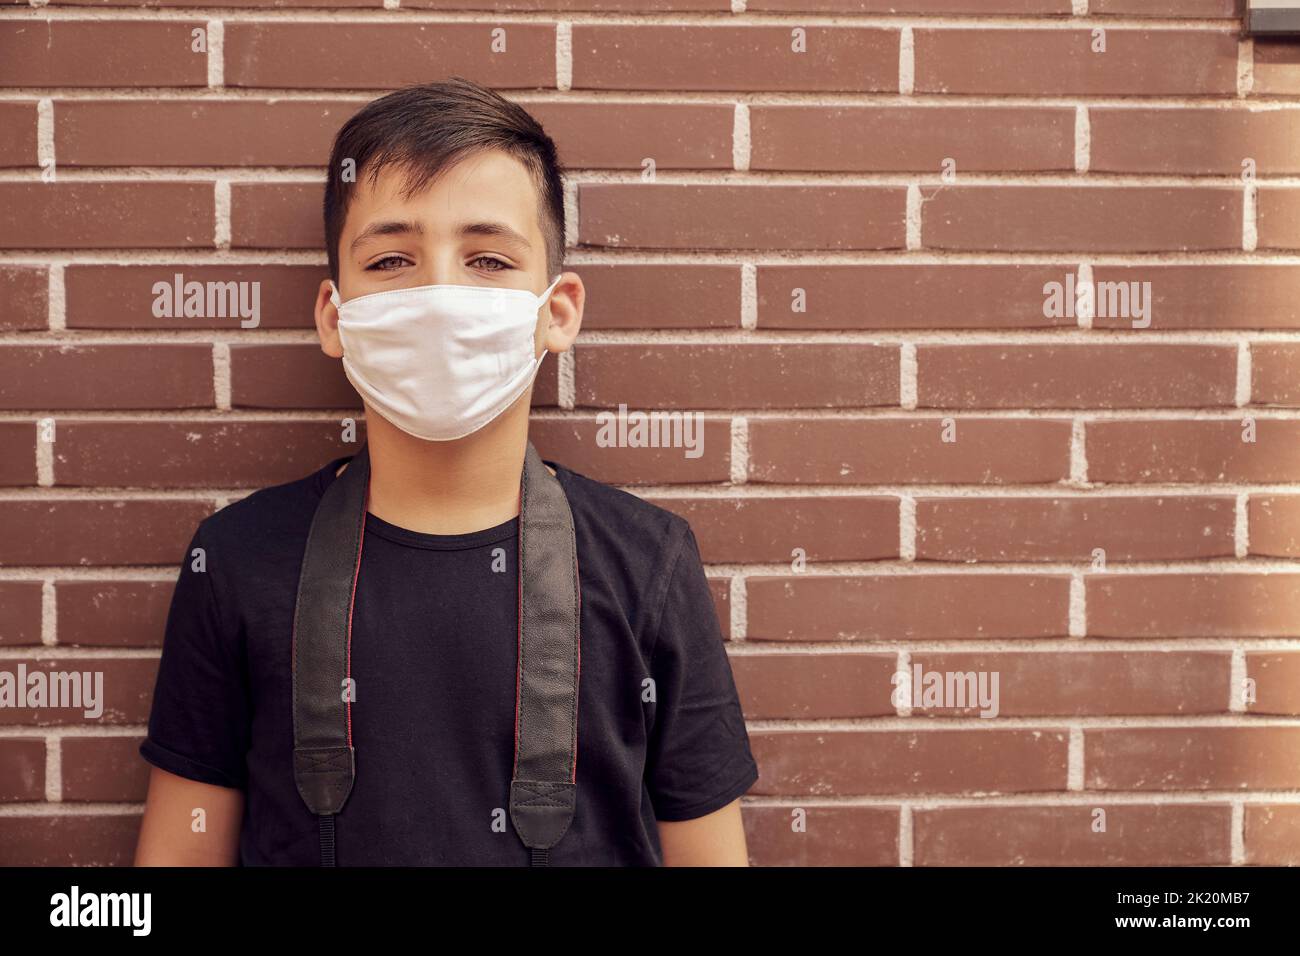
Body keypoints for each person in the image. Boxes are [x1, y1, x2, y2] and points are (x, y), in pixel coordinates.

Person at [133, 77, 759, 866]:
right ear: (336, 317)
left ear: (557, 311)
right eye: (392, 258)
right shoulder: (235, 561)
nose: (438, 295)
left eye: (489, 259)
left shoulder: (648, 563)